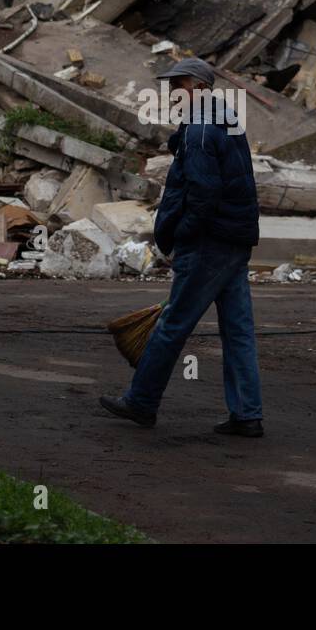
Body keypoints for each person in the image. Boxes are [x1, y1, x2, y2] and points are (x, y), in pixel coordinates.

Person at [99, 57, 264, 437]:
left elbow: (204, 194)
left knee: (172, 326)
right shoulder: (226, 120)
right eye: (171, 87)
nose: (173, 94)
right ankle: (247, 413)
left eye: (180, 86)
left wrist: (183, 234)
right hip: (235, 240)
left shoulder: (201, 130)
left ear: (201, 89)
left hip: (210, 242)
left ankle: (141, 402)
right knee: (238, 330)